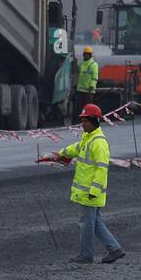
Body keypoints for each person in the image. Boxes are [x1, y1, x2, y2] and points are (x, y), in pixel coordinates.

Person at [42, 103, 124, 264]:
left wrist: (94, 190)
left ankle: (86, 255)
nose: (82, 124)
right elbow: (74, 149)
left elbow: (102, 169)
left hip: (90, 193)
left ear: (93, 121)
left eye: (85, 121)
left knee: (87, 223)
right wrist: (57, 155)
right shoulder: (89, 139)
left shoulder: (98, 143)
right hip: (89, 192)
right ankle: (115, 249)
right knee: (94, 222)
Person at [74, 46, 99, 114]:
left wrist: (92, 85)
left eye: (88, 54)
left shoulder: (94, 64)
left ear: (90, 55)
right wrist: (75, 65)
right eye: (85, 54)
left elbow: (95, 76)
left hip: (89, 91)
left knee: (88, 108)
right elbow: (77, 71)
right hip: (80, 90)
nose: (86, 56)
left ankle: (88, 120)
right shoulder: (82, 64)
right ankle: (78, 121)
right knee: (78, 107)